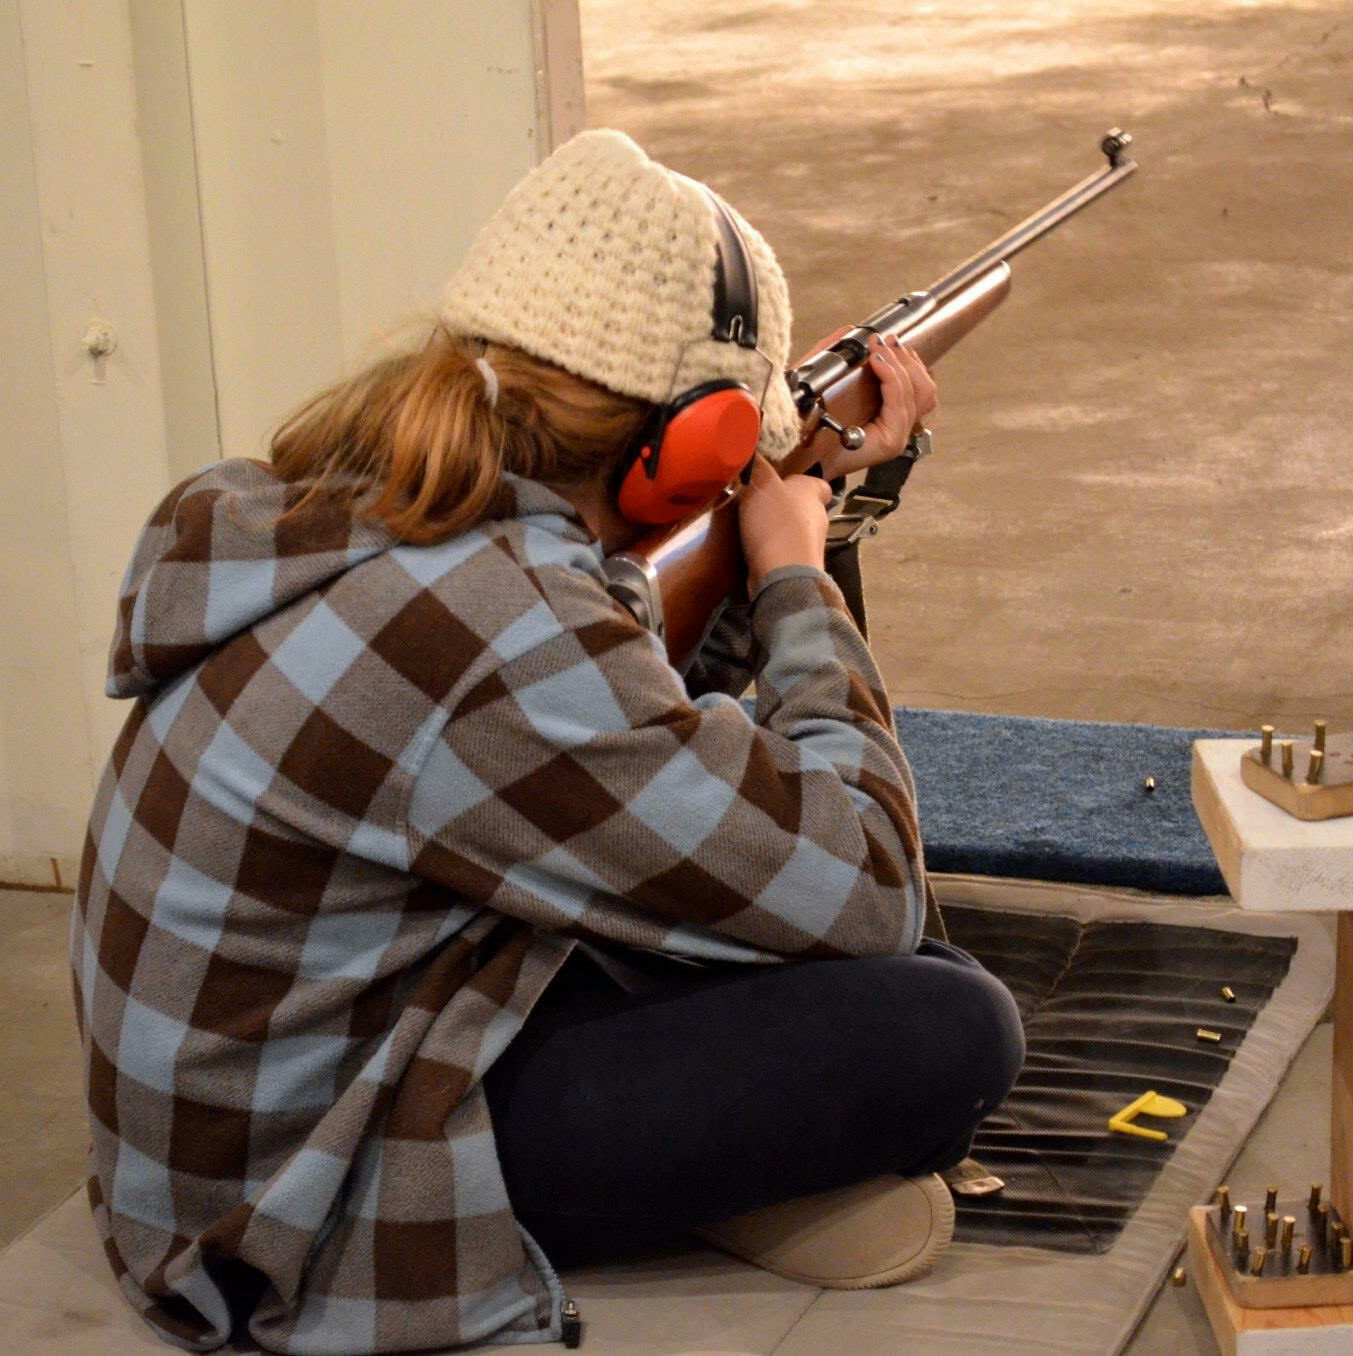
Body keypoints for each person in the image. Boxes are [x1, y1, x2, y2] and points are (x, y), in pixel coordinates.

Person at [71, 129, 1023, 1355]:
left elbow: (664, 745)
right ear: (697, 446)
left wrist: (815, 512)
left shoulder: (335, 502)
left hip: (224, 1128)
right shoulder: (506, 628)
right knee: (947, 1025)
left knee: (800, 934)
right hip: (299, 1199)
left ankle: (727, 1187)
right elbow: (869, 886)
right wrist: (791, 569)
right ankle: (715, 1198)